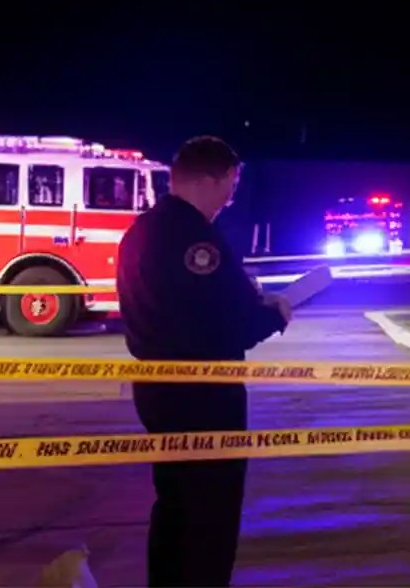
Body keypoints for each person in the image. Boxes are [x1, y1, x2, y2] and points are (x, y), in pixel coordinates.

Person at [117, 136, 291, 587]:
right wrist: (272, 314)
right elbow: (223, 326)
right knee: (210, 518)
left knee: (174, 506)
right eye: (232, 184)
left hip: (158, 390)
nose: (232, 197)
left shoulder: (141, 230)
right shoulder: (196, 239)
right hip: (204, 397)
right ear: (212, 180)